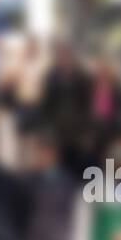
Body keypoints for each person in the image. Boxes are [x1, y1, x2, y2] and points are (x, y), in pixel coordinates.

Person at [37, 41, 92, 177]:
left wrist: (87, 126)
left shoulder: (81, 76)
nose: (64, 58)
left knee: (76, 154)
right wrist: (45, 125)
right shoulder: (51, 76)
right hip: (57, 123)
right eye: (61, 55)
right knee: (59, 156)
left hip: (77, 123)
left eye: (66, 55)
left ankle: (76, 181)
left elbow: (87, 101)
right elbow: (46, 102)